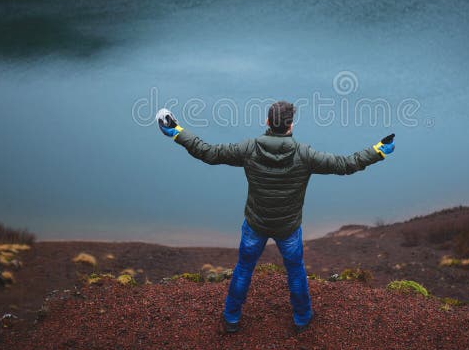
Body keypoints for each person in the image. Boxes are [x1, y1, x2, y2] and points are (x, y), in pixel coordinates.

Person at [158, 100, 395, 334]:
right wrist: (377, 151)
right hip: (288, 228)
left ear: (268, 122)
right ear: (291, 126)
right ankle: (302, 318)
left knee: (243, 269)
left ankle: (231, 318)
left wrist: (177, 132)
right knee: (295, 271)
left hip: (256, 224)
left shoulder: (249, 148)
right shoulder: (305, 154)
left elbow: (208, 153)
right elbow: (346, 164)